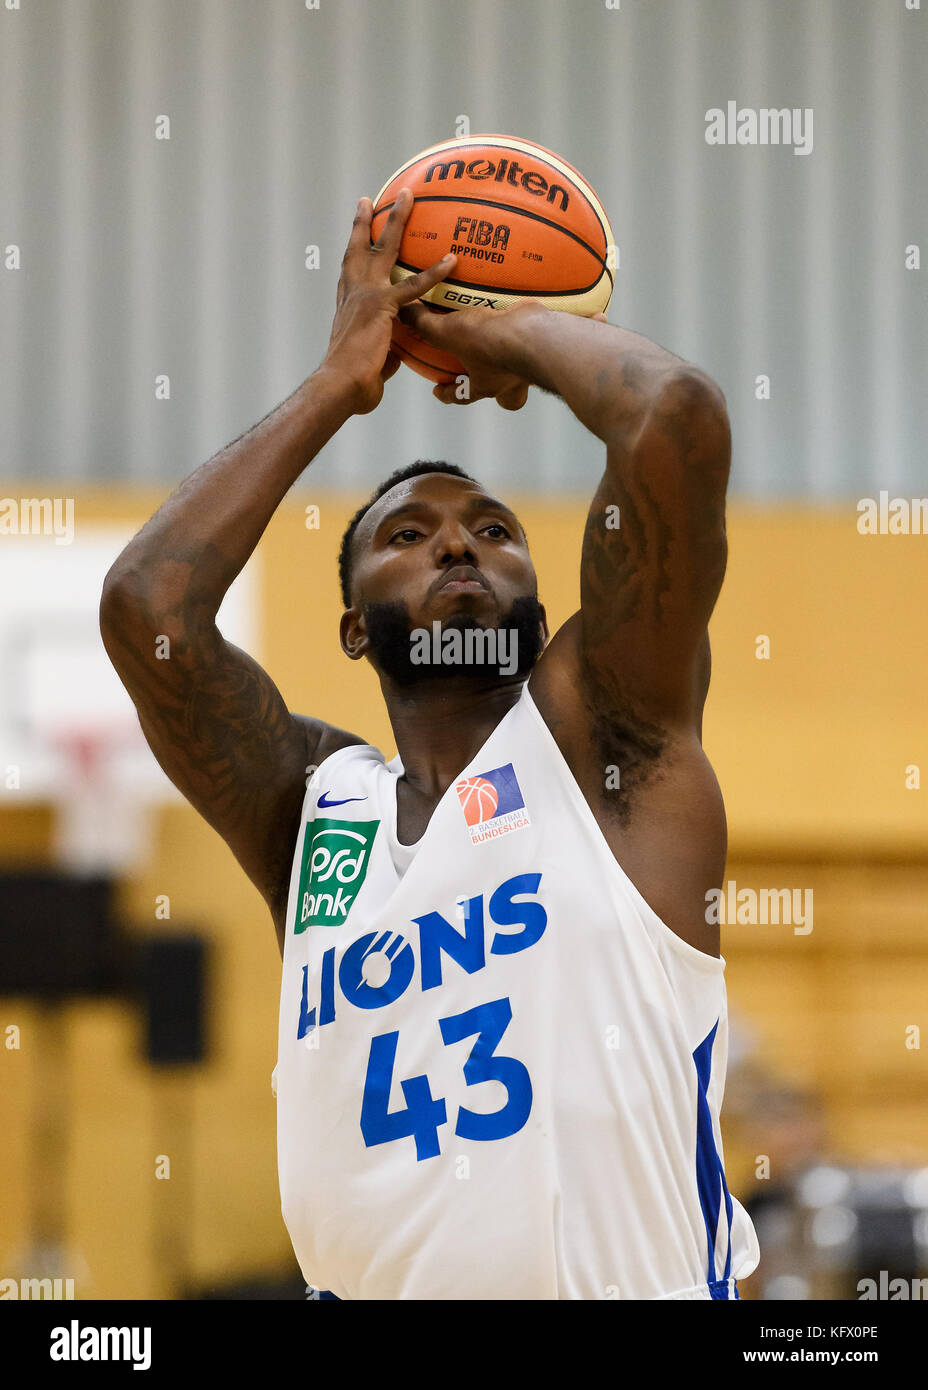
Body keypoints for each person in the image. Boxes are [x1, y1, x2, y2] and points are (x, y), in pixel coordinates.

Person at [100, 189, 760, 1300]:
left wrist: (482, 331)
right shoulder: (314, 808)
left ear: (543, 612)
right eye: (408, 535)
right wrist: (336, 385)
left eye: (494, 530)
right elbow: (146, 610)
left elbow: (674, 417)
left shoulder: (611, 748)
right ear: (355, 625)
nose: (459, 539)